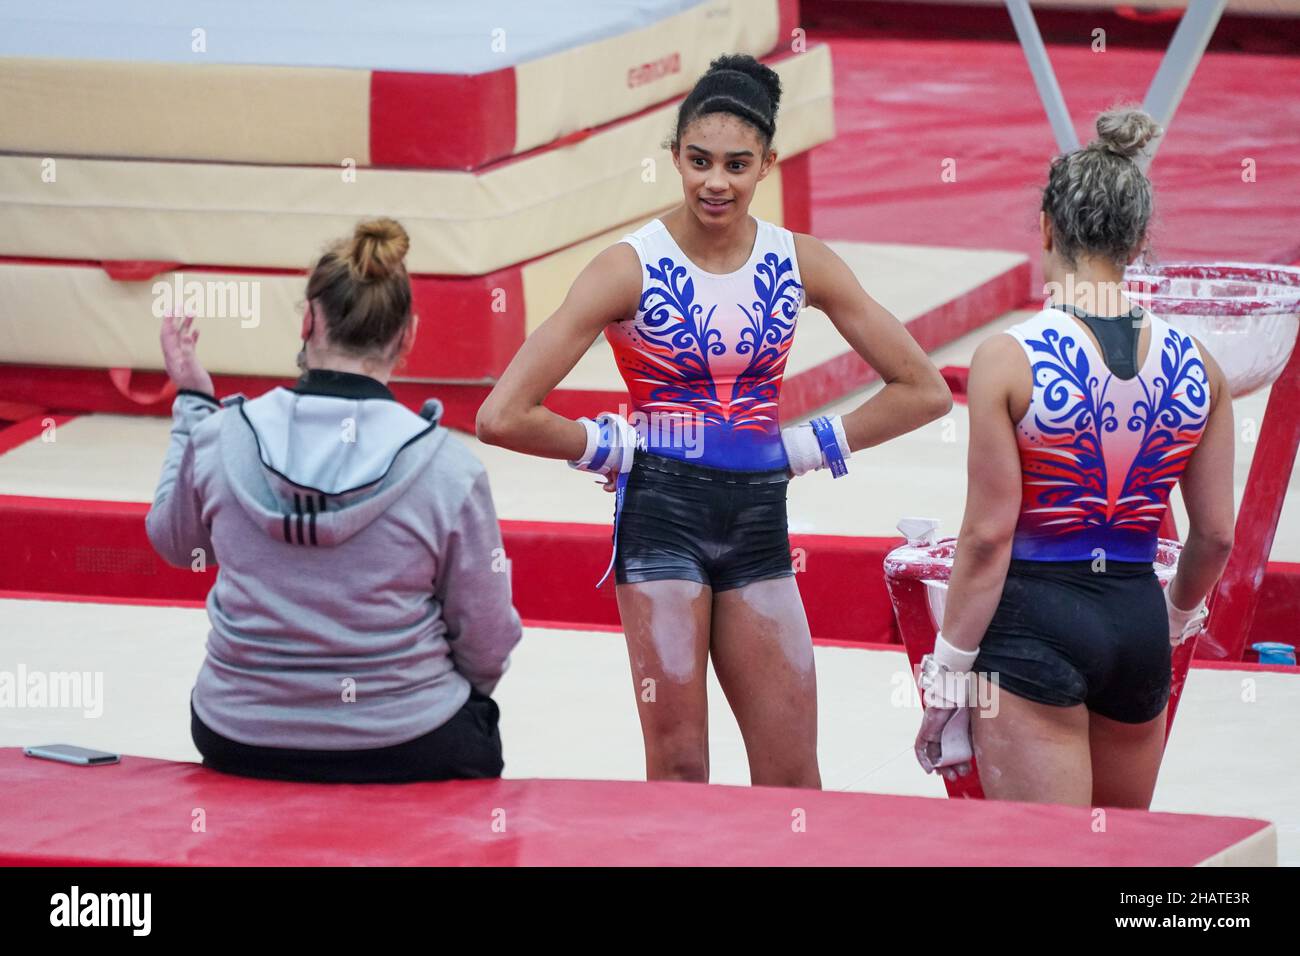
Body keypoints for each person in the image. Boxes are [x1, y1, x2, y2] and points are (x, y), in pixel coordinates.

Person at [478, 54, 951, 788]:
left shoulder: (801, 262)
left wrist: (803, 447)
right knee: (679, 769)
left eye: (736, 165)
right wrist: (613, 447)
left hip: (759, 528)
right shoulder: (627, 268)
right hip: (660, 525)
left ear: (768, 164)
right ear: (674, 156)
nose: (715, 183)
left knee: (792, 776)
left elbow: (924, 389)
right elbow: (503, 415)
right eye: (698, 161)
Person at [914, 107, 1236, 809]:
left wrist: (947, 674)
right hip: (1138, 625)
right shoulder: (1200, 367)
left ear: (1046, 228)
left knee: (1047, 855)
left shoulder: (1008, 359)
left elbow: (987, 536)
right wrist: (1172, 619)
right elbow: (1215, 536)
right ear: (1140, 239)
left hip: (1035, 627)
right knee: (1116, 856)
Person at [146, 217, 522, 783]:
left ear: (307, 321)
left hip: (239, 734)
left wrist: (195, 404)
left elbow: (175, 543)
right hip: (408, 740)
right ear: (408, 336)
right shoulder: (448, 466)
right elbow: (487, 640)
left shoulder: (220, 437)